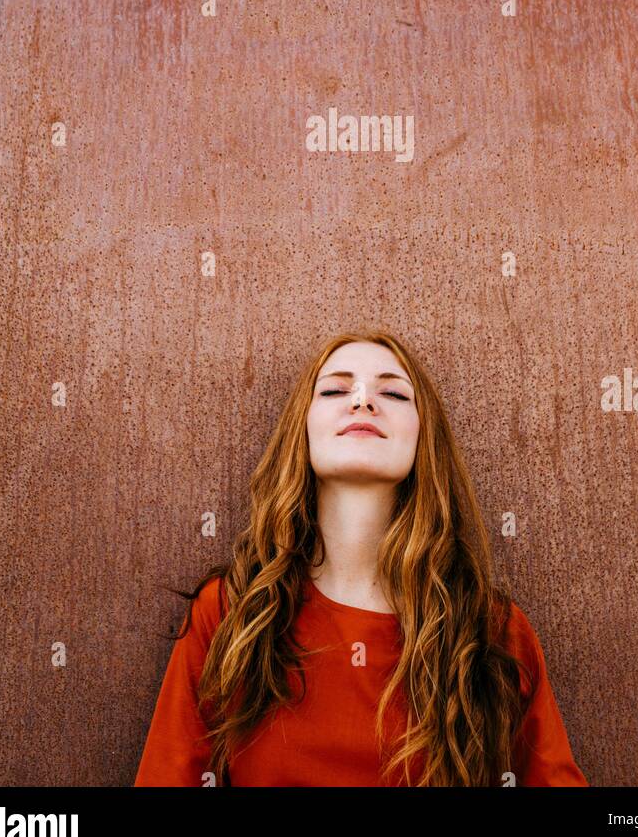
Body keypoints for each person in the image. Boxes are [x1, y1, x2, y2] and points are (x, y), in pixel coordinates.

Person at [135, 330, 588, 787]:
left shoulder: (490, 630)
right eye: (334, 389)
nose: (363, 401)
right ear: (303, 431)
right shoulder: (230, 614)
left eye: (392, 392)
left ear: (424, 438)